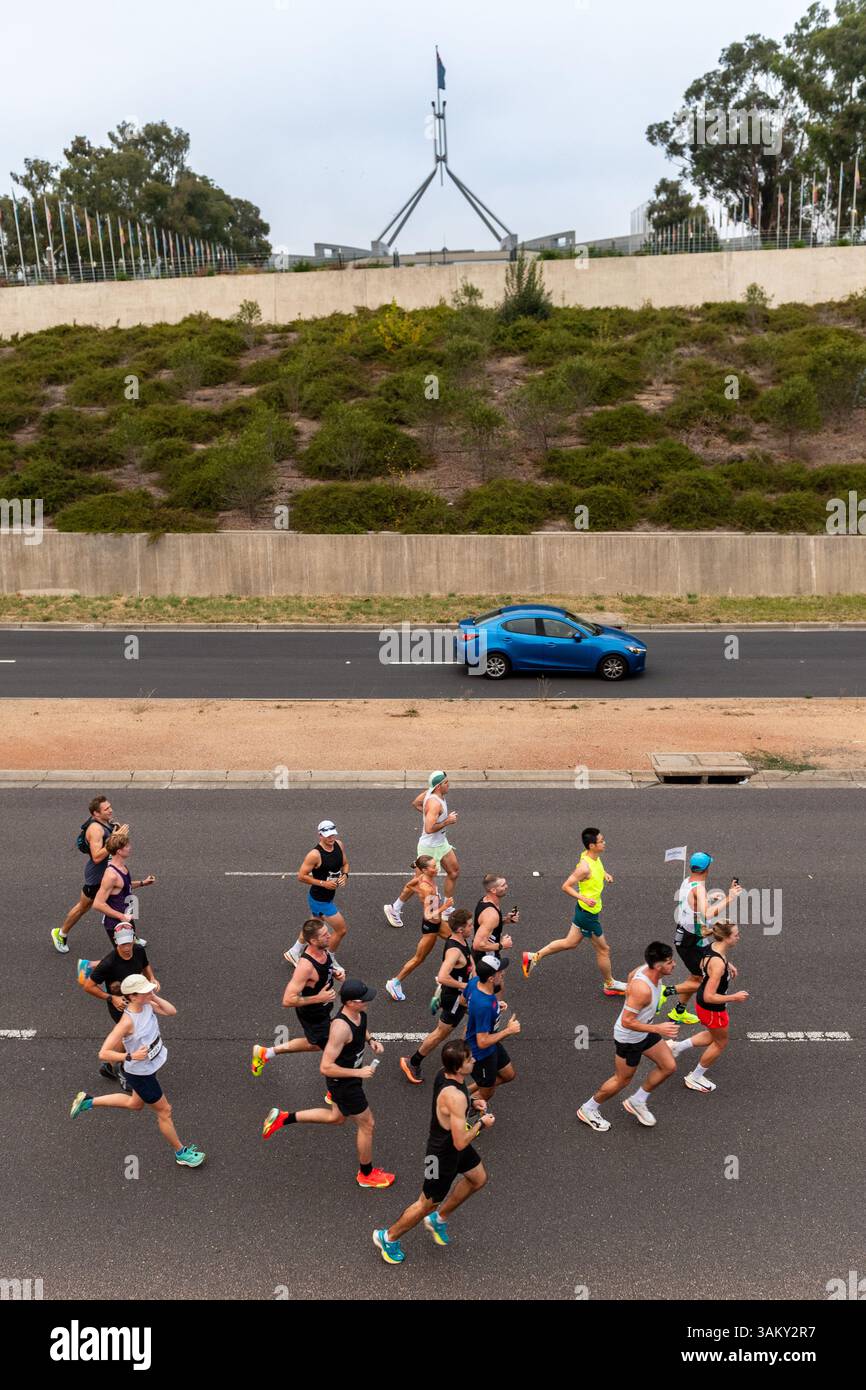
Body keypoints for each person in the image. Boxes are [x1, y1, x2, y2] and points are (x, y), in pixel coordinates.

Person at [261, 979, 395, 1189]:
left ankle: (283, 1118)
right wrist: (357, 1072)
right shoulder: (339, 1028)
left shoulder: (359, 1014)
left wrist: (371, 1041)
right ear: (350, 1002)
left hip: (351, 1078)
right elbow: (325, 1067)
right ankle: (366, 1175)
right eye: (363, 999)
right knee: (367, 1124)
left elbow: (363, 1029)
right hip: (343, 1083)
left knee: (336, 1118)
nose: (368, 1002)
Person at [373, 1039, 494, 1264]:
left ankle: (438, 1219)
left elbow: (456, 1102)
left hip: (454, 1147)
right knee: (425, 1203)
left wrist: (472, 1102)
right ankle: (388, 1237)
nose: (474, 1060)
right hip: (440, 1156)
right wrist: (482, 1124)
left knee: (478, 1179)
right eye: (469, 1059)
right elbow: (460, 1142)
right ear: (458, 1067)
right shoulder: (455, 1097)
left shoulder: (445, 1074)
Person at [69, 974, 204, 1168]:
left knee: (135, 1104)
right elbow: (103, 1053)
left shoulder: (147, 1004)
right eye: (145, 991)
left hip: (150, 1066)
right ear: (132, 996)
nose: (150, 992)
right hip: (140, 1073)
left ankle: (87, 1102)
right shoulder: (127, 1022)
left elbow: (172, 1011)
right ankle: (181, 1153)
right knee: (165, 1111)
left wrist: (153, 997)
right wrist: (129, 1056)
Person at [577, 941, 678, 1133]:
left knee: (669, 1066)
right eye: (670, 962)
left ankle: (637, 1100)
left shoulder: (645, 971)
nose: (673, 965)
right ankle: (588, 1109)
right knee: (622, 1080)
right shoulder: (643, 990)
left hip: (645, 1031)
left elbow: (631, 976)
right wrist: (658, 1028)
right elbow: (627, 1021)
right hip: (629, 1038)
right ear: (658, 966)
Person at [522, 827, 625, 996]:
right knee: (604, 950)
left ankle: (533, 957)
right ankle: (609, 984)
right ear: (592, 845)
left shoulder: (589, 856)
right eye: (601, 841)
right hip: (588, 915)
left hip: (584, 912)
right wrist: (583, 898)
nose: (604, 843)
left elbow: (595, 868)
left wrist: (604, 874)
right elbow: (566, 886)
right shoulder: (584, 868)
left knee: (570, 942)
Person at [252, 917, 345, 1076]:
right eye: (324, 935)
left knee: (315, 1044)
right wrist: (319, 998)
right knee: (336, 1046)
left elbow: (324, 970)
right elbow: (287, 1000)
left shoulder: (323, 950)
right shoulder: (305, 967)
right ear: (313, 941)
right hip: (313, 1013)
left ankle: (266, 1053)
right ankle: (336, 1089)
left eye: (327, 931)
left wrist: (333, 973)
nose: (329, 936)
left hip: (323, 1007)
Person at [668, 921, 748, 1092]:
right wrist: (734, 997)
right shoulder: (717, 963)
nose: (738, 937)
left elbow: (711, 963)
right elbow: (710, 996)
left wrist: (728, 965)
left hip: (705, 1006)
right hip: (712, 1009)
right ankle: (694, 1077)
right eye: (736, 935)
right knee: (720, 1042)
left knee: (713, 1035)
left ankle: (676, 1047)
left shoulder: (713, 947)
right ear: (726, 938)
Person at [77, 925, 159, 1091]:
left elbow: (145, 964)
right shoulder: (109, 963)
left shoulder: (138, 950)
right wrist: (111, 997)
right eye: (123, 944)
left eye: (129, 943)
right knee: (129, 1035)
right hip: (119, 1004)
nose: (127, 948)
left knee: (130, 1035)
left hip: (137, 998)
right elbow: (88, 986)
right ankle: (123, 1069)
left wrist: (152, 978)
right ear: (116, 943)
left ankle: (108, 1065)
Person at [400, 909, 475, 1084]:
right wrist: (466, 985)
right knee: (441, 1032)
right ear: (460, 930)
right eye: (470, 925)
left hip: (461, 996)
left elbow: (469, 962)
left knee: (479, 1016)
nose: (472, 928)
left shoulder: (460, 939)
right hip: (456, 999)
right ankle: (412, 1062)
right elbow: (442, 976)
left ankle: (467, 1054)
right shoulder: (454, 951)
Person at [670, 852, 743, 1021]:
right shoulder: (699, 888)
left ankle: (679, 1011)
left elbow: (691, 902)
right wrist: (729, 898)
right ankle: (664, 993)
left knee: (697, 976)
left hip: (692, 936)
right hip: (689, 940)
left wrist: (709, 898)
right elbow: (708, 915)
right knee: (703, 978)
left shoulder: (687, 880)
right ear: (706, 869)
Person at [52, 796, 125, 953]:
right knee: (83, 907)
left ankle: (128, 936)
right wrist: (114, 839)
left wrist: (116, 835)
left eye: (110, 806)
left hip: (111, 870)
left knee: (122, 900)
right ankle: (60, 933)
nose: (110, 810)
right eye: (106, 809)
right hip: (97, 875)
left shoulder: (108, 823)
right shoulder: (95, 830)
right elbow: (97, 856)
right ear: (96, 814)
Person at [385, 856, 453, 1001]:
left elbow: (409, 885)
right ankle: (395, 982)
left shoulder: (421, 878)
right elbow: (429, 915)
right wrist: (444, 907)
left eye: (436, 865)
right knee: (419, 958)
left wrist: (418, 892)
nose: (437, 869)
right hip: (431, 926)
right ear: (424, 870)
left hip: (438, 923)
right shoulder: (426, 888)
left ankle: (446, 977)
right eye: (433, 867)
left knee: (458, 943)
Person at [286, 820, 350, 964]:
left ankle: (294, 951)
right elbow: (301, 876)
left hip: (327, 896)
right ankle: (330, 959)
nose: (331, 838)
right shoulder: (314, 855)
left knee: (313, 924)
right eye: (327, 835)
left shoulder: (339, 845)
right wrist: (324, 883)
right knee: (341, 930)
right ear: (320, 835)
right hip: (320, 899)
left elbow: (345, 864)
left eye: (333, 834)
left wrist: (345, 876)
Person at [465, 955, 520, 1103]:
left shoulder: (475, 982)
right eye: (499, 972)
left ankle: (464, 1091)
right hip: (481, 1054)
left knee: (509, 1075)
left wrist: (496, 1006)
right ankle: (467, 1107)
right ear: (490, 979)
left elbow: (463, 1001)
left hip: (491, 1045)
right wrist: (508, 1030)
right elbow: (482, 1042)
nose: (503, 973)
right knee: (486, 1095)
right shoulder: (483, 1006)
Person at [92, 832, 155, 948]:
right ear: (119, 851)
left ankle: (134, 940)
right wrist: (121, 917)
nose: (130, 848)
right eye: (126, 846)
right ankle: (89, 966)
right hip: (116, 923)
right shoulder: (111, 876)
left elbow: (125, 885)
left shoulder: (123, 867)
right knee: (124, 958)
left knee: (132, 952)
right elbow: (97, 904)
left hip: (126, 914)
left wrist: (143, 883)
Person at [408, 771, 459, 900]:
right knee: (418, 881)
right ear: (438, 786)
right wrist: (446, 821)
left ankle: (447, 907)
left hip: (441, 843)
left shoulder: (433, 793)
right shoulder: (434, 803)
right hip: (429, 847)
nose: (449, 785)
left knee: (453, 872)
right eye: (446, 783)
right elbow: (429, 828)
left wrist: (430, 816)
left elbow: (416, 803)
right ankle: (395, 907)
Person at [471, 874, 518, 971]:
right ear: (493, 890)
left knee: (499, 980)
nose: (506, 886)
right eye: (503, 885)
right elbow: (477, 945)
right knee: (493, 983)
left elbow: (488, 925)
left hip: (489, 954)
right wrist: (502, 945)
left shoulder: (486, 900)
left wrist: (505, 920)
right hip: (485, 958)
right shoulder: (491, 915)